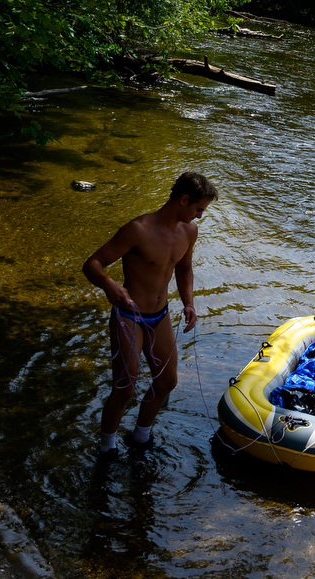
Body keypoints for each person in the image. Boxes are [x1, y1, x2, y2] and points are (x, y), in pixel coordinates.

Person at [83, 171, 217, 454]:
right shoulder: (138, 230)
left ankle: (140, 437)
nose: (200, 216)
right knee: (125, 386)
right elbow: (93, 264)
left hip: (160, 316)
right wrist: (110, 286)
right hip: (129, 316)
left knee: (167, 381)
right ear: (183, 200)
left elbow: (184, 269)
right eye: (198, 209)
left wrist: (189, 303)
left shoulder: (189, 232)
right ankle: (106, 448)